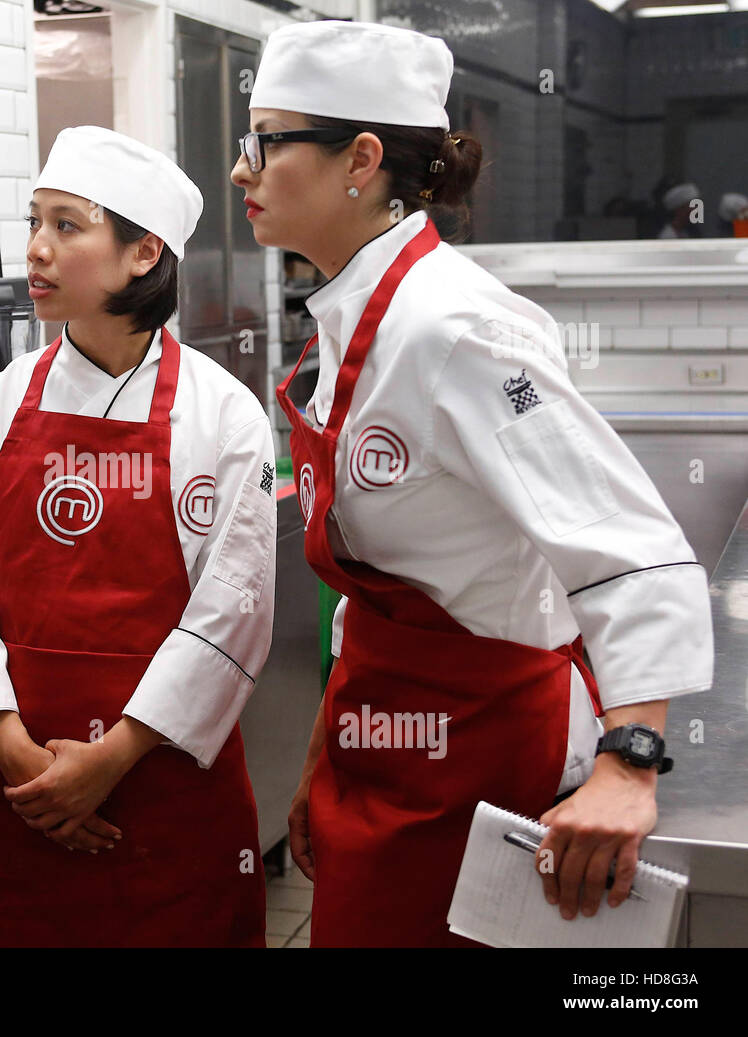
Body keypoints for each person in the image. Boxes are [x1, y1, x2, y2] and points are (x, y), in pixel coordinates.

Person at [232, 21, 713, 947]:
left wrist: (631, 759)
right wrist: (330, 749)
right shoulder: (348, 316)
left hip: (484, 753)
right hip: (386, 741)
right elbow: (387, 587)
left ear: (359, 159)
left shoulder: (454, 329)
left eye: (266, 140)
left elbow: (626, 545)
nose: (242, 170)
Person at [0, 126, 275, 946]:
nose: (36, 249)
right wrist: (14, 750)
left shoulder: (223, 415)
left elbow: (231, 612)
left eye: (67, 226)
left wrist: (112, 756)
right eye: (34, 221)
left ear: (144, 253)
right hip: (15, 791)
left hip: (162, 787)